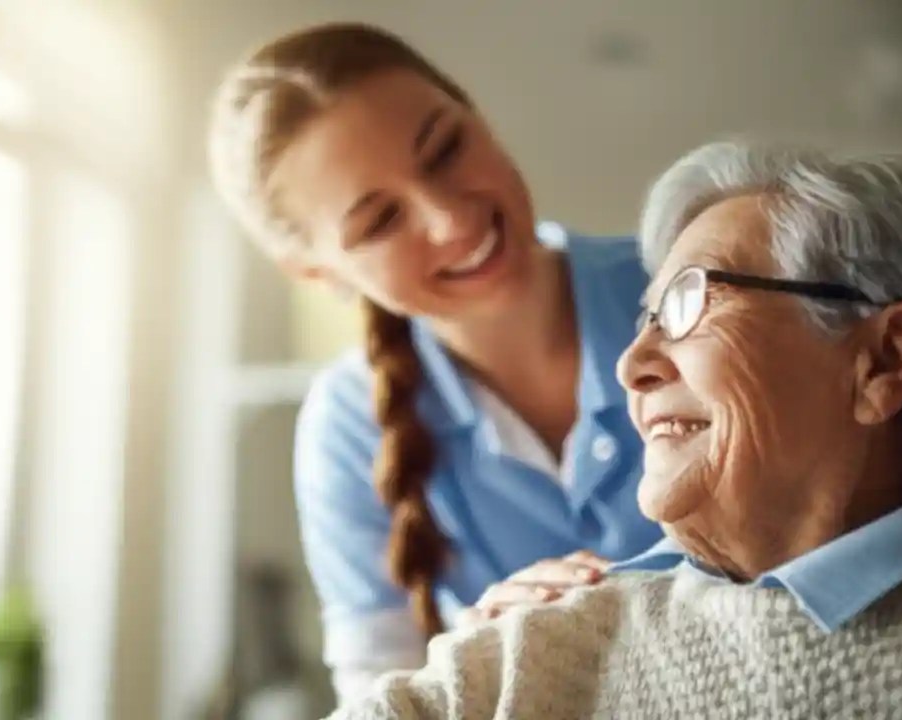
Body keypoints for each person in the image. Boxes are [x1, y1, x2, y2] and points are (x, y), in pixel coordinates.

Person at [327, 140, 902, 719]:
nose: (631, 366)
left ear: (884, 360)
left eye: (686, 304)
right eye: (645, 318)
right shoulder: (525, 654)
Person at [208, 22, 660, 699]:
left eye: (446, 149)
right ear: (314, 272)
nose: (450, 219)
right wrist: (479, 657)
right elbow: (378, 695)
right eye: (379, 222)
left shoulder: (691, 285)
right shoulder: (348, 426)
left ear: (476, 115)